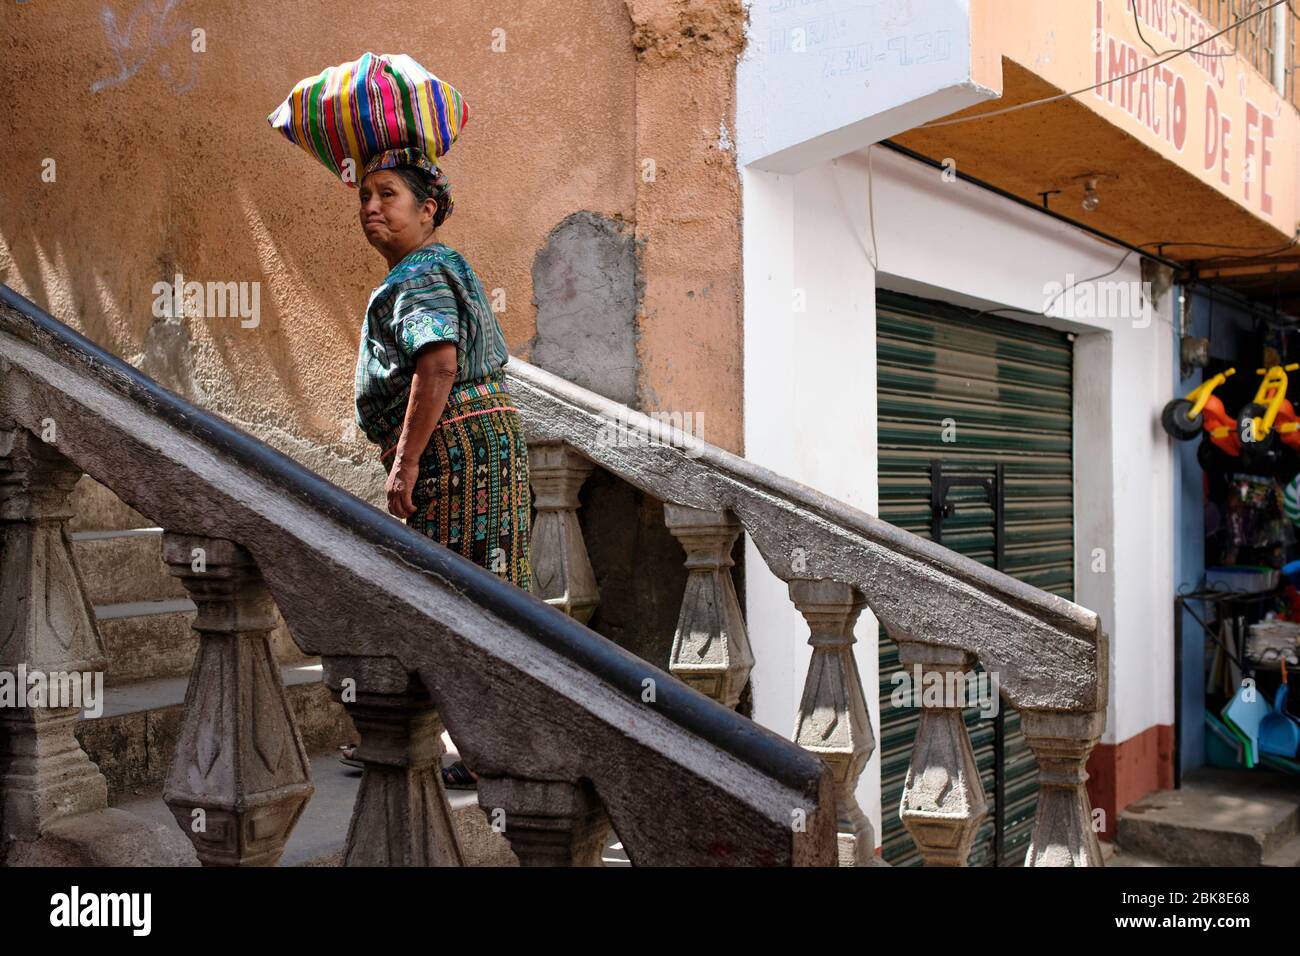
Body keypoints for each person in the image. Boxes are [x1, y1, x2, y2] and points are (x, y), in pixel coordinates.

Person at [340, 149, 533, 787]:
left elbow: (439, 364)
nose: (371, 206)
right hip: (480, 438)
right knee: (484, 590)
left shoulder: (418, 273)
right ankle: (482, 741)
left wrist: (405, 461)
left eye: (387, 194)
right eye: (365, 195)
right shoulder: (433, 266)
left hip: (455, 449)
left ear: (427, 210)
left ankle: (480, 748)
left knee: (453, 595)